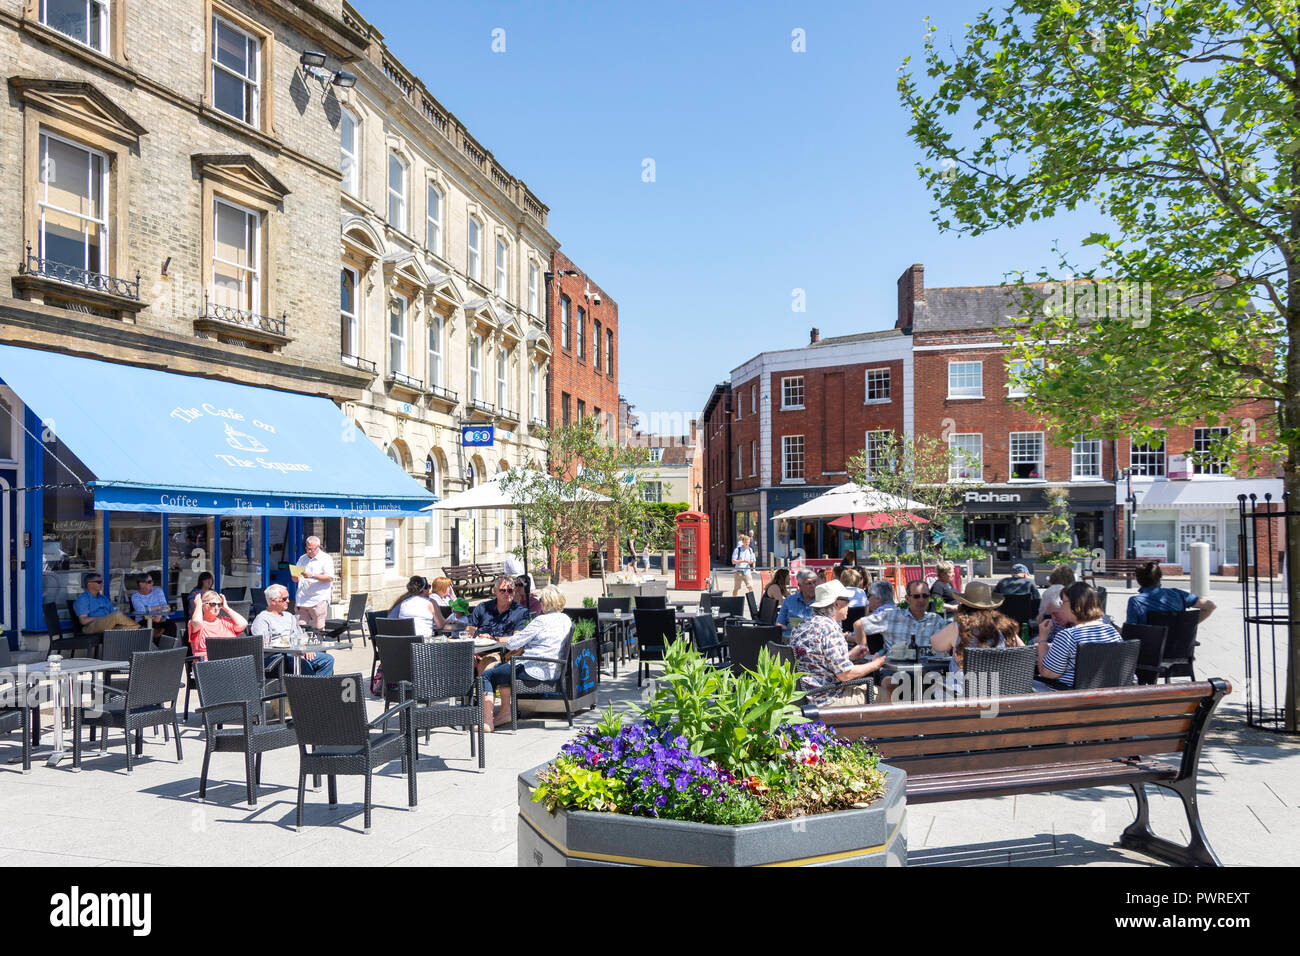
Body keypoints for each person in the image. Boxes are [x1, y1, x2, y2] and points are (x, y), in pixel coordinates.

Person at [480, 585, 572, 731]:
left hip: (534, 669)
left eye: (541, 599)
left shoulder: (540, 621)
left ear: (545, 602)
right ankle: (505, 714)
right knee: (501, 670)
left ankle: (486, 722)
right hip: (554, 669)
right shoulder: (566, 620)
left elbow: (512, 644)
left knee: (487, 675)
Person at [789, 580, 888, 707]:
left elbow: (817, 659)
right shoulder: (830, 629)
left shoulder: (802, 625)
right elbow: (845, 674)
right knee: (883, 694)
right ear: (836, 604)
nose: (849, 606)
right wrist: (875, 665)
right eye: (847, 602)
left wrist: (849, 656)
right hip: (826, 698)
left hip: (804, 695)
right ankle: (879, 728)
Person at [1037, 582, 1123, 689]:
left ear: (1074, 604)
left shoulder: (1068, 636)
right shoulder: (1111, 631)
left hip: (1070, 696)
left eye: (1062, 602)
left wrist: (1043, 638)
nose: (1061, 606)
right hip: (1104, 694)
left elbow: (1047, 673)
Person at [931, 599, 1023, 696]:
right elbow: (1023, 650)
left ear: (963, 605)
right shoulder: (1004, 627)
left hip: (962, 695)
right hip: (1001, 691)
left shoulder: (958, 627)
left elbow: (935, 644)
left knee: (932, 685)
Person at [250, 584, 334, 675]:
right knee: (303, 664)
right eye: (284, 599)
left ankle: (319, 686)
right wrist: (285, 645)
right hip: (276, 656)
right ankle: (310, 687)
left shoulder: (288, 616)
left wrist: (307, 648)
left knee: (327, 659)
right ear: (273, 601)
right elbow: (260, 643)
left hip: (295, 652)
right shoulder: (262, 619)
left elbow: (300, 635)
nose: (288, 601)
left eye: (288, 598)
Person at [1125, 560, 1216, 626]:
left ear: (1138, 579)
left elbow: (1131, 631)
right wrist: (1187, 626)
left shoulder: (1135, 601)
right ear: (1160, 577)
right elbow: (1210, 606)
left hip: (1149, 649)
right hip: (1177, 648)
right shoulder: (1178, 594)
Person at [877, 578, 948, 657]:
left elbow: (945, 650)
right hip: (895, 667)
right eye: (916, 596)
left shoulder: (936, 621)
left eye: (925, 596)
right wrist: (865, 648)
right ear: (907, 599)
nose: (921, 600)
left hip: (927, 667)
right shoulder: (890, 616)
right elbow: (861, 624)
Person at [187, 591, 247, 661]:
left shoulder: (225, 622)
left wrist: (226, 608)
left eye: (219, 605)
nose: (216, 607)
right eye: (212, 604)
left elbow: (243, 624)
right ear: (203, 605)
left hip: (230, 665)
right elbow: (197, 621)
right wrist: (198, 605)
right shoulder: (198, 624)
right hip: (206, 667)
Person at [73, 573, 139, 634]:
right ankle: (138, 628)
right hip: (91, 626)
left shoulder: (103, 598)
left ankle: (137, 629)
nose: (102, 584)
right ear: (89, 584)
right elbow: (83, 620)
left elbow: (112, 614)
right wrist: (104, 618)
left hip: (109, 624)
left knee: (130, 628)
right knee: (117, 616)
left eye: (102, 582)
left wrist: (108, 618)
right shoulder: (83, 599)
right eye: (99, 582)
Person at [293, 535, 334, 630]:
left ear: (318, 547)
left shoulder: (326, 558)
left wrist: (312, 575)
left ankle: (319, 642)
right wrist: (295, 576)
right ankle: (303, 644)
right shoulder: (302, 558)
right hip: (302, 598)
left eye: (311, 549)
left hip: (318, 598)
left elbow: (329, 578)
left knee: (319, 627)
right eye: (307, 548)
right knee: (300, 627)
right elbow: (295, 579)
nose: (309, 551)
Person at [850, 579, 897, 647]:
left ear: (878, 599)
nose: (867, 598)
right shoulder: (896, 610)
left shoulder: (881, 613)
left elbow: (858, 627)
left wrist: (848, 637)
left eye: (869, 595)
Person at [776, 569, 820, 634]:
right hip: (791, 639)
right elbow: (779, 623)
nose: (813, 586)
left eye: (814, 582)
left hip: (815, 639)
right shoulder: (789, 601)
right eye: (809, 583)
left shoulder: (822, 601)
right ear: (800, 585)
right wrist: (792, 628)